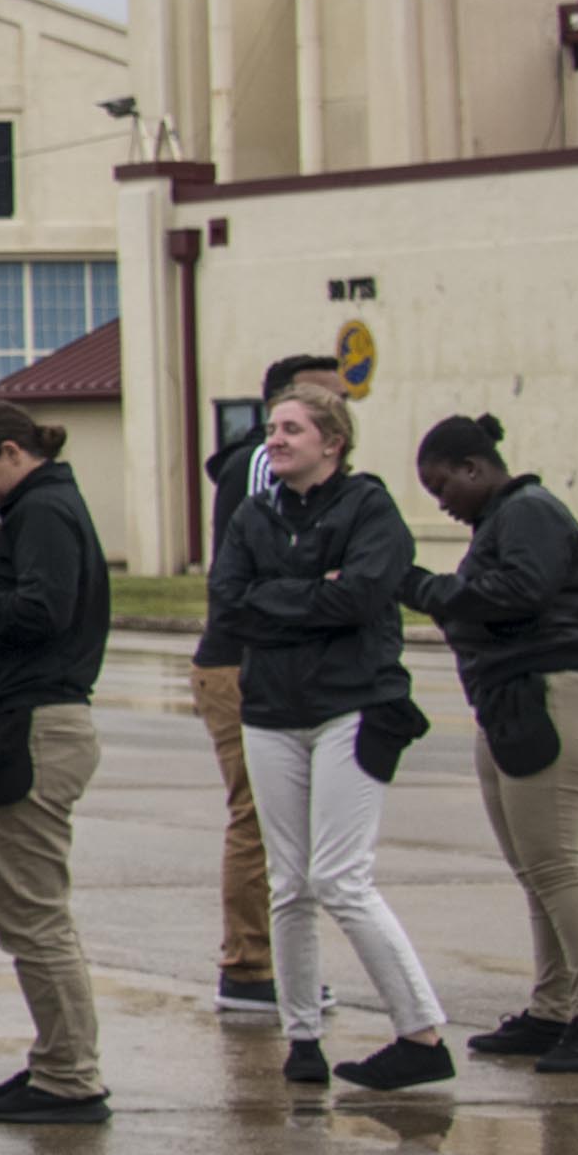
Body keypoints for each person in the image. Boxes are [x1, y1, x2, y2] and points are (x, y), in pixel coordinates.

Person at [213, 382, 458, 1094]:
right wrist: (310, 594)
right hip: (269, 711)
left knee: (339, 878)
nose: (276, 439)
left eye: (291, 428)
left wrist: (282, 598)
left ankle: (421, 1033)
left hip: (353, 705)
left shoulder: (368, 507)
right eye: (271, 428)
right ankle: (301, 1039)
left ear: (332, 442)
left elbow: (360, 595)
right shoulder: (252, 516)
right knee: (287, 884)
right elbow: (228, 604)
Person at [410, 412, 578, 1073]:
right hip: (509, 702)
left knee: (555, 865)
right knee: (534, 869)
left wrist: (421, 586)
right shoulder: (499, 522)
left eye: (442, 486)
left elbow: (519, 594)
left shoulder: (528, 512)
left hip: (550, 698)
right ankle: (551, 1009)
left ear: (474, 469)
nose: (440, 503)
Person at [0, 398, 115, 1129]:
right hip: (33, 721)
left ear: (11, 452)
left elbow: (42, 609)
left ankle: (70, 1073)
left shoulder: (42, 512)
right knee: (31, 910)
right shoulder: (45, 506)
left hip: (35, 725)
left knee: (33, 914)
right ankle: (58, 1061)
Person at [184, 352, 348, 1017]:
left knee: (287, 820)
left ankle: (278, 962)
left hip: (275, 657)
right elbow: (256, 561)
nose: (342, 411)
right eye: (327, 400)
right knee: (257, 816)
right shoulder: (263, 466)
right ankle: (249, 966)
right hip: (241, 660)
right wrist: (318, 587)